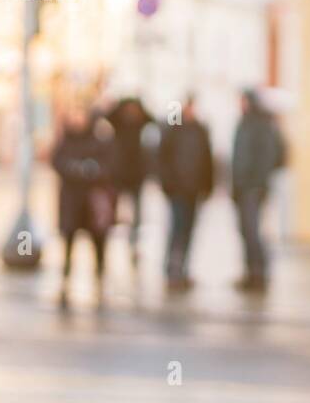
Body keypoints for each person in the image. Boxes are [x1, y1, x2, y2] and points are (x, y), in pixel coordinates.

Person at [51, 106, 115, 305]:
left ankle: (100, 280)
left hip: (92, 203)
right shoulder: (67, 140)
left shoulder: (100, 139)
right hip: (71, 203)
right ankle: (65, 281)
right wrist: (75, 169)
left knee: (98, 243)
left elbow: (111, 165)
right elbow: (57, 161)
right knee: (69, 244)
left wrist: (92, 170)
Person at [230, 89, 286, 293]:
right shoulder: (244, 123)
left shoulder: (263, 125)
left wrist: (257, 180)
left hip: (253, 187)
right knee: (246, 231)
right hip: (242, 187)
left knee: (253, 232)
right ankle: (250, 273)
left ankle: (259, 273)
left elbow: (272, 157)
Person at [158, 96, 213, 290]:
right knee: (177, 230)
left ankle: (184, 269)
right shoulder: (174, 128)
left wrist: (208, 186)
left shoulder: (201, 129)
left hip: (194, 190)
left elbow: (208, 159)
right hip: (178, 190)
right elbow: (162, 158)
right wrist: (168, 184)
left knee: (189, 231)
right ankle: (173, 270)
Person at [105, 96, 153, 264]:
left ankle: (133, 243)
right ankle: (108, 243)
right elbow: (107, 116)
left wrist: (140, 102)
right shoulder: (119, 122)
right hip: (119, 173)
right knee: (112, 211)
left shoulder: (140, 123)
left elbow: (151, 118)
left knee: (137, 213)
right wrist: (121, 102)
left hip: (136, 174)